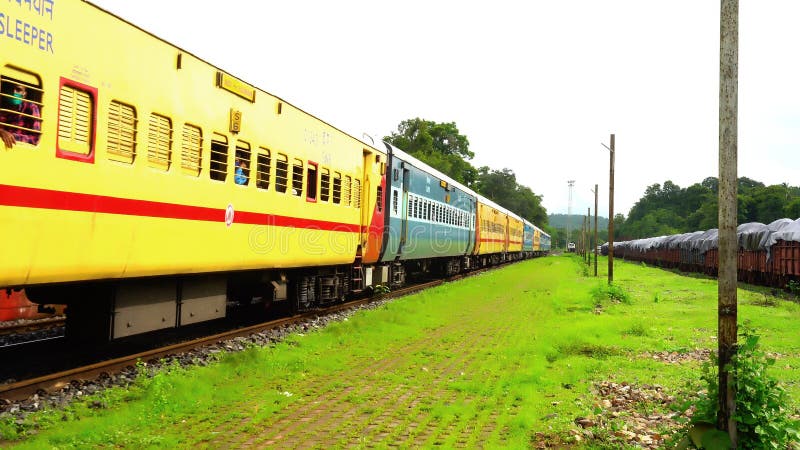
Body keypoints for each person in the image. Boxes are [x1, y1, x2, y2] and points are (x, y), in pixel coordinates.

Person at [0, 83, 41, 149]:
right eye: (11, 89)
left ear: (24, 94)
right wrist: (1, 132)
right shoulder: (2, 107)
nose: (14, 92)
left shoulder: (31, 108)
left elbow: (35, 138)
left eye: (18, 90)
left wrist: (12, 137)